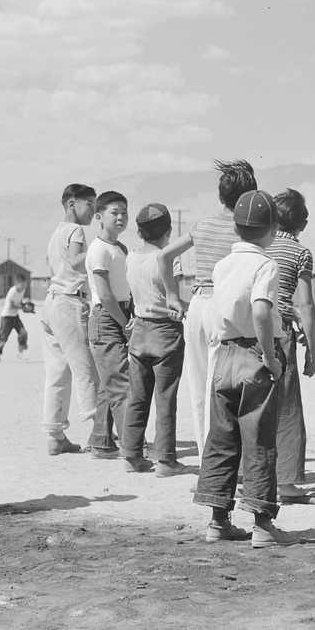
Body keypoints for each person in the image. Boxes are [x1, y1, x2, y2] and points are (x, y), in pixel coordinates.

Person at [193, 190, 304, 549]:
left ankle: (217, 520)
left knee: (221, 439)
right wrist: (271, 358)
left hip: (223, 354)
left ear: (237, 229)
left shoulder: (223, 264)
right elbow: (260, 311)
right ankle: (262, 524)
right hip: (255, 354)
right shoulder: (266, 264)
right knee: (258, 441)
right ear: (272, 229)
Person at [159, 159, 257, 459]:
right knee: (225, 388)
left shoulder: (202, 225)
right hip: (223, 309)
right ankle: (226, 462)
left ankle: (207, 462)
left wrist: (172, 297)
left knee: (200, 388)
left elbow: (163, 256)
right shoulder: (245, 230)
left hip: (198, 307)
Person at [122, 203, 197, 477]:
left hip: (140, 330)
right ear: (169, 230)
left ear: (140, 232)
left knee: (137, 397)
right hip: (164, 330)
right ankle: (165, 460)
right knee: (165, 397)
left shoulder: (130, 257)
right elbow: (173, 299)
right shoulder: (168, 258)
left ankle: (131, 456)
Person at [40, 184, 101, 456]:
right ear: (71, 203)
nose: (94, 210)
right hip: (69, 301)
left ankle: (55, 436)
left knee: (57, 373)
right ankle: (100, 434)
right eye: (89, 204)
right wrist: (102, 245)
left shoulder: (56, 232)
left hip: (52, 302)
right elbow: (77, 262)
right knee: (85, 370)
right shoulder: (76, 231)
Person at [265, 189, 315, 500]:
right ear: (304, 223)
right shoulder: (301, 253)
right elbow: (307, 305)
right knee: (287, 407)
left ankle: (250, 474)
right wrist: (311, 349)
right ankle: (285, 481)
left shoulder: (261, 245)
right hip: (281, 332)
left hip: (252, 330)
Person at [84, 190, 132, 460]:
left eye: (124, 212)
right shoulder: (99, 249)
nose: (121, 217)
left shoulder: (120, 248)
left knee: (108, 383)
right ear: (99, 217)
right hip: (107, 318)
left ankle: (101, 441)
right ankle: (131, 445)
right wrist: (125, 322)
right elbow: (104, 295)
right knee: (121, 385)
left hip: (120, 314)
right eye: (115, 212)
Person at [0, 274, 29, 361]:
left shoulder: (23, 290)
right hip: (7, 317)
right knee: (3, 337)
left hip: (15, 316)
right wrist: (22, 308)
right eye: (22, 284)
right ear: (16, 283)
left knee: (23, 333)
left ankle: (20, 353)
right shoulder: (12, 291)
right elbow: (11, 306)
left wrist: (25, 306)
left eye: (24, 284)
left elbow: (19, 301)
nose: (24, 286)